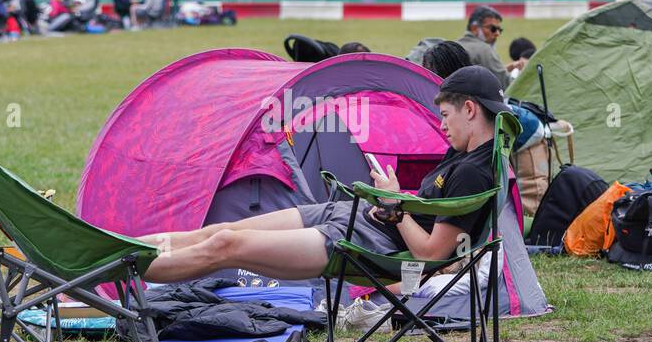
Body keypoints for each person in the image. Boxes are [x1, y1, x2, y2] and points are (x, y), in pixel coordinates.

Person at [138, 67, 510, 283]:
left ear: (470, 109)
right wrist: (391, 200)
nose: (442, 126)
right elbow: (428, 210)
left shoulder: (474, 173)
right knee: (221, 231)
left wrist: (396, 207)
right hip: (349, 215)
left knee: (224, 248)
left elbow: (430, 254)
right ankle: (119, 246)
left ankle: (123, 270)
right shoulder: (463, 154)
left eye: (446, 116)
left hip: (362, 243)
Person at [457, 6, 522, 87]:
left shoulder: (454, 45)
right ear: (474, 28)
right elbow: (507, 86)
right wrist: (518, 71)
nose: (497, 33)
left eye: (499, 30)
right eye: (493, 29)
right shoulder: (485, 50)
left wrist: (509, 68)